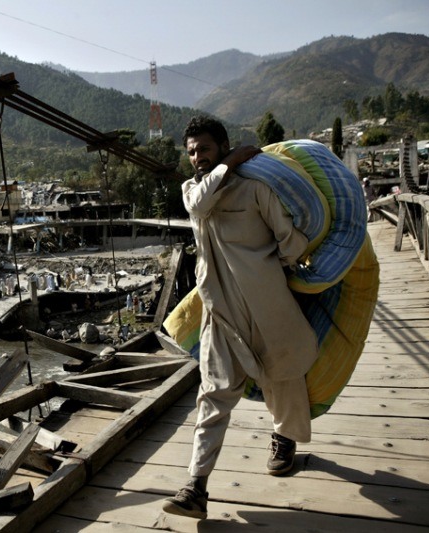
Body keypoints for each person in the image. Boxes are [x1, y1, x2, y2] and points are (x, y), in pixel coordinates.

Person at [162, 116, 319, 519]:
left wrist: (292, 265)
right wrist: (227, 164)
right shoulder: (192, 191)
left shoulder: (256, 190)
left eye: (205, 150)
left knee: (283, 379)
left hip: (268, 305)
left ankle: (284, 440)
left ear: (223, 146)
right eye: (192, 151)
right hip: (220, 314)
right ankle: (195, 486)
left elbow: (289, 240)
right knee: (212, 397)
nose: (197, 157)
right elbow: (199, 204)